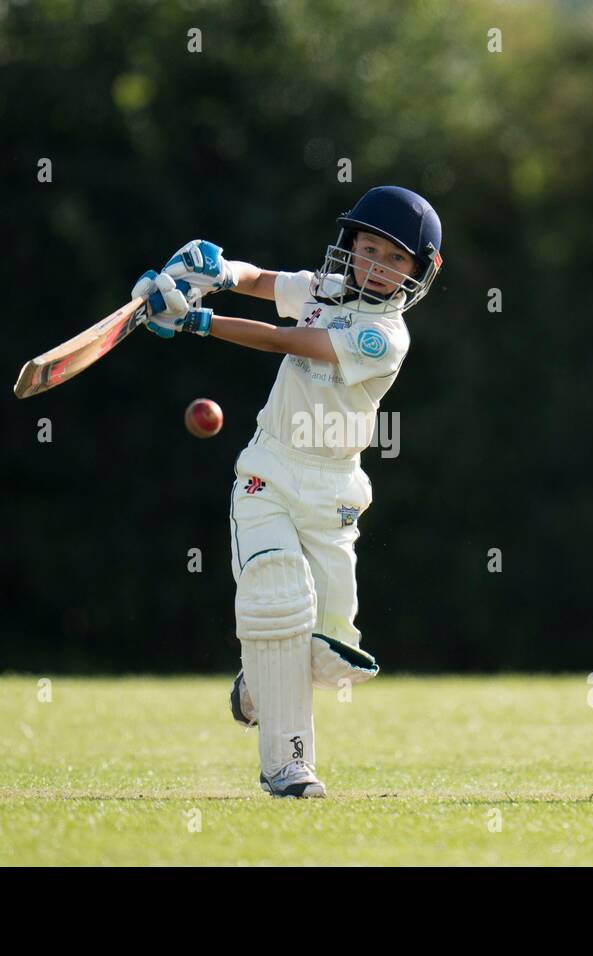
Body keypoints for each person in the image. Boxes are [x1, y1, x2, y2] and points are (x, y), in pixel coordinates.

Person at [132, 185, 443, 797]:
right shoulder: (323, 288)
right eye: (369, 248)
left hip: (334, 489)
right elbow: (261, 281)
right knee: (277, 599)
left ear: (417, 272)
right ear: (350, 246)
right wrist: (215, 269)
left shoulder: (387, 337)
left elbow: (285, 341)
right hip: (270, 467)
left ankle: (260, 680)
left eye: (395, 258)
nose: (377, 265)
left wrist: (197, 319)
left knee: (329, 653)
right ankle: (288, 766)